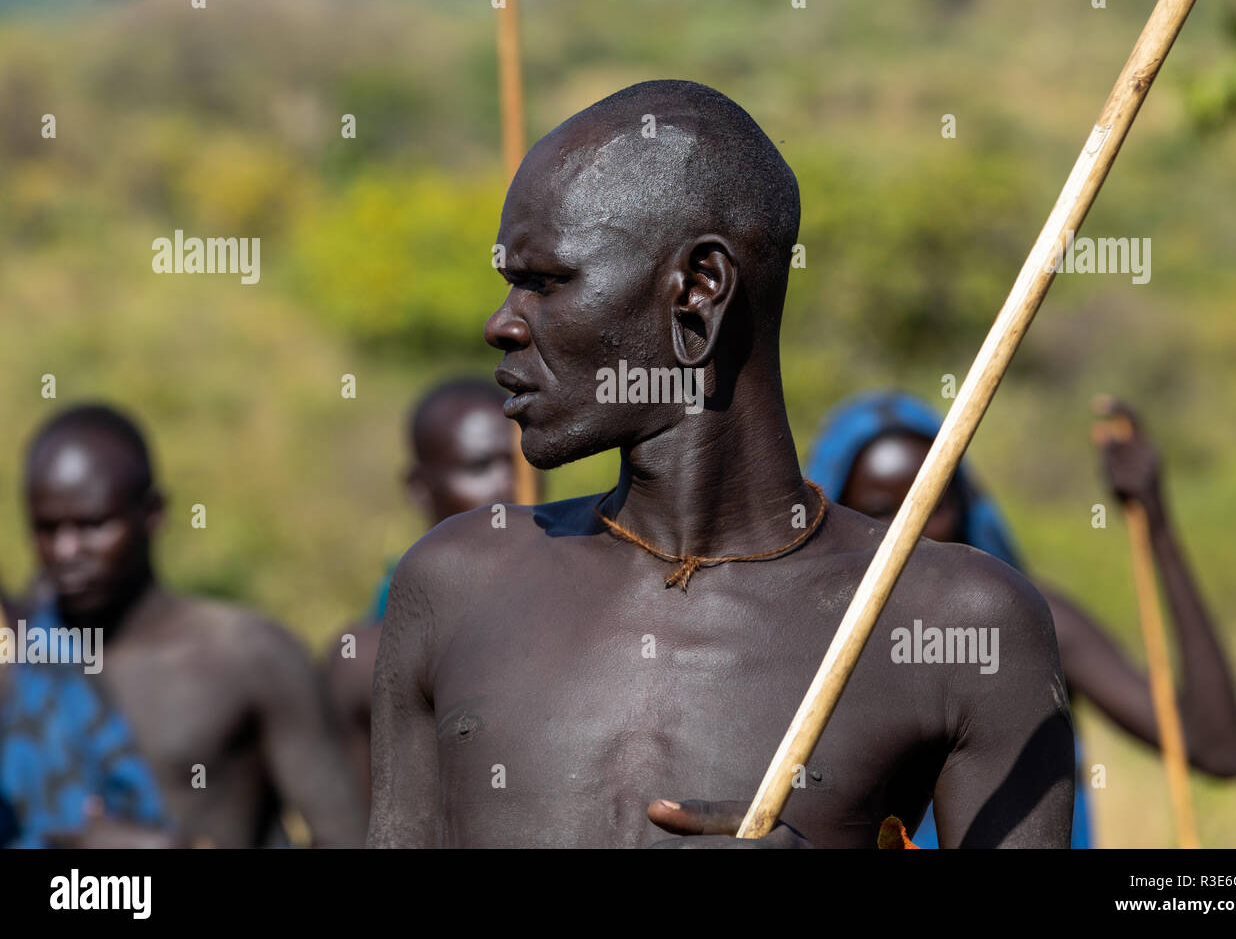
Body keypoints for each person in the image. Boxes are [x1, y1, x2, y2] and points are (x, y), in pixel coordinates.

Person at [368, 80, 1075, 848]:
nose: (501, 324)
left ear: (698, 290)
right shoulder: (454, 583)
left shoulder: (951, 618)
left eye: (544, 281)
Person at [805, 390, 1236, 847]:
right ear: (835, 515)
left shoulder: (1025, 625)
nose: (910, 529)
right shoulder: (804, 647)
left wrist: (1156, 524)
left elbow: (1220, 751)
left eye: (933, 502)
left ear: (963, 506)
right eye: (879, 510)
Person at [1, 404, 364, 847]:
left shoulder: (250, 656)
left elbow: (346, 838)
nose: (66, 551)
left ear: (153, 513)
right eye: (47, 529)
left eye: (93, 525)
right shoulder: (20, 664)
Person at [323, 378, 523, 810]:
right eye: (480, 467)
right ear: (419, 485)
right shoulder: (364, 658)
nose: (507, 486)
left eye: (520, 464)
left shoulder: (584, 615)